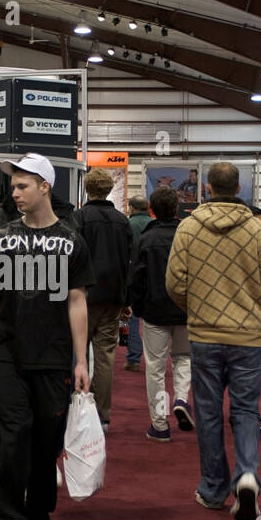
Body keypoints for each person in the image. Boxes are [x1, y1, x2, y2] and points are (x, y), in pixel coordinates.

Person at [0, 153, 92, 520]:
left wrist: (81, 360)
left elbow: (77, 301)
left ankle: (39, 516)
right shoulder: (3, 236)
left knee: (45, 442)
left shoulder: (72, 240)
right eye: (13, 185)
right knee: (13, 438)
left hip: (54, 358)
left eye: (22, 185)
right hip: (10, 356)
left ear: (45, 188)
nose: (14, 192)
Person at [167, 162, 261, 520]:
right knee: (246, 409)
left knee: (208, 410)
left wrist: (198, 306)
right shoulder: (257, 230)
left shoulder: (188, 228)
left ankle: (213, 487)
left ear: (206, 187)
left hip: (205, 334)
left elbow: (174, 283)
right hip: (248, 336)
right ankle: (246, 474)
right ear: (241, 188)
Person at [128, 185, 191, 441]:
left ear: (152, 210)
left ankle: (160, 424)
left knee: (155, 367)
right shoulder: (187, 237)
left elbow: (137, 277)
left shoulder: (146, 239)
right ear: (176, 208)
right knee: (183, 358)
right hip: (185, 309)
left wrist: (137, 308)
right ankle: (181, 399)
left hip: (154, 310)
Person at [76, 168, 134, 429]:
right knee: (105, 356)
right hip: (112, 297)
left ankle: (77, 410)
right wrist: (125, 299)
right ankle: (102, 415)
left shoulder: (79, 219)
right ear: (109, 189)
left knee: (77, 355)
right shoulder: (123, 222)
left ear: (87, 189)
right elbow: (127, 262)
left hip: (83, 297)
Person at [125, 195, 152, 372]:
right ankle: (154, 358)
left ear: (132, 208)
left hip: (133, 277)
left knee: (132, 319)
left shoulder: (128, 225)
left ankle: (134, 358)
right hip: (154, 279)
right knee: (153, 323)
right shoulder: (153, 224)